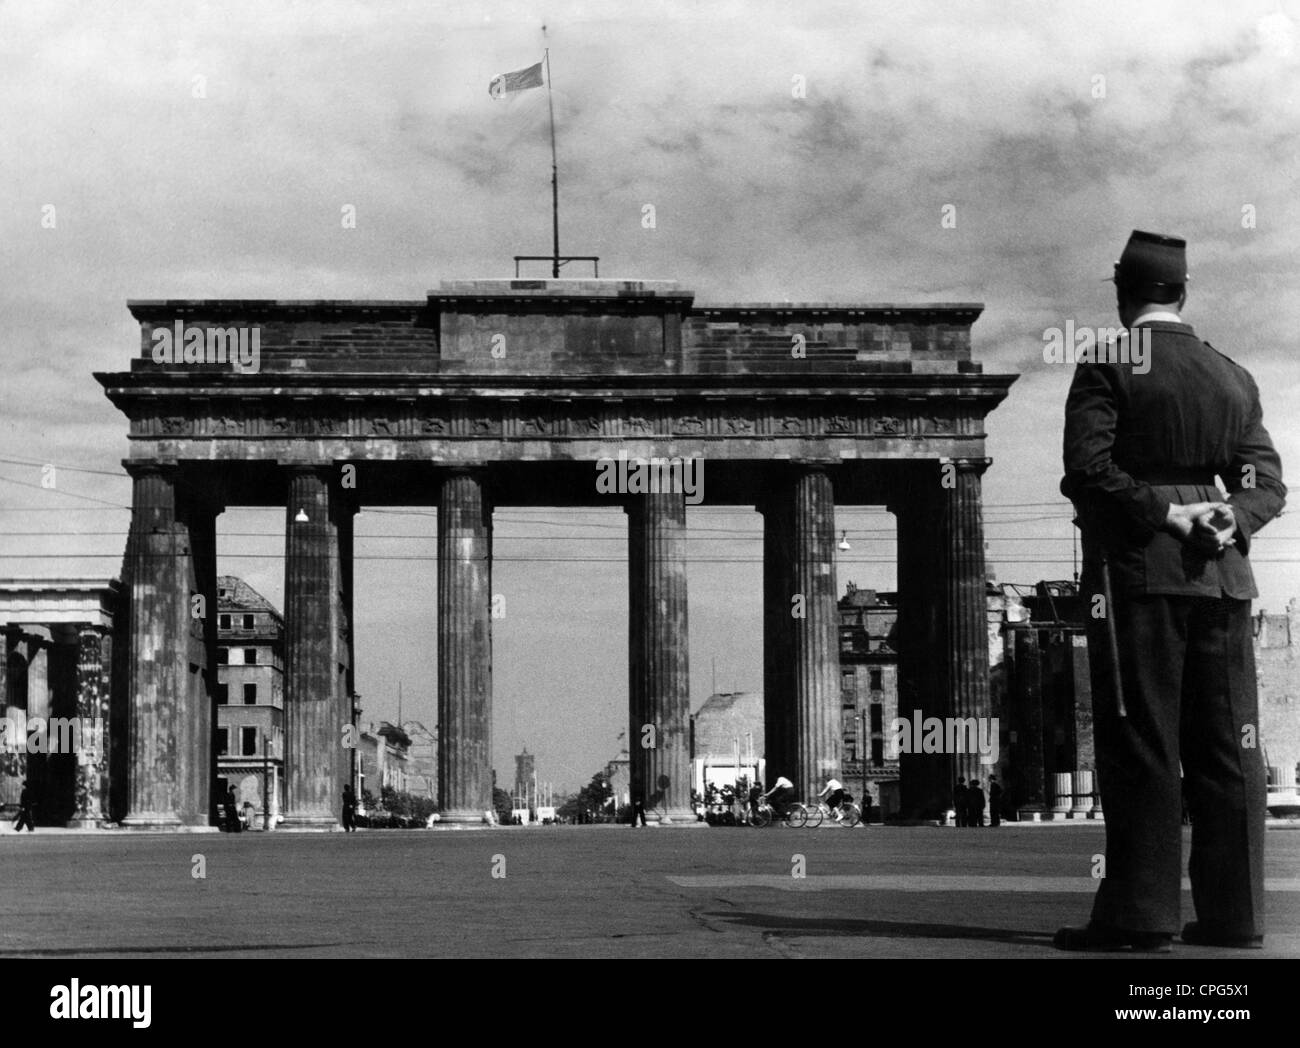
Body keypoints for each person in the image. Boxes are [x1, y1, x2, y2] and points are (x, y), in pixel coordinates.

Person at [1055, 229, 1284, 952]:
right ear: (1183, 293)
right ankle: (1235, 917)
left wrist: (1164, 512)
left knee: (1143, 741)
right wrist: (1231, 516)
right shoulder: (1231, 375)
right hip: (1223, 580)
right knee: (1228, 746)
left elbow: (1088, 471)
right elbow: (1265, 483)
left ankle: (1140, 915)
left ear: (1124, 293)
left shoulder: (1107, 365)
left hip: (1140, 573)